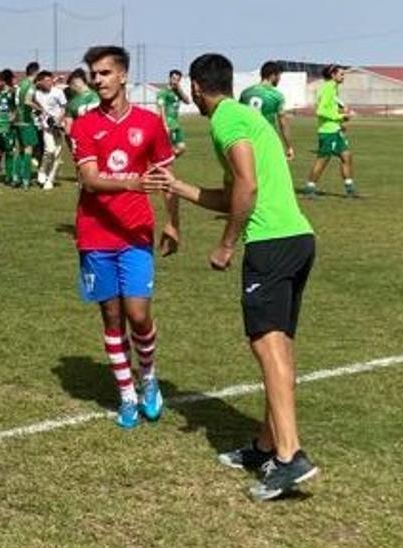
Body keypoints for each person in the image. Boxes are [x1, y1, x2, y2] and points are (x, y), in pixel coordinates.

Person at [144, 53, 319, 501]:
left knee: (266, 346)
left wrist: (226, 244)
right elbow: (235, 192)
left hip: (271, 245)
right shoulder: (241, 114)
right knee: (278, 346)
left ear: (198, 89)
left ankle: (289, 455)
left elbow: (247, 186)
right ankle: (265, 446)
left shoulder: (225, 120)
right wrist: (179, 187)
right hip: (297, 238)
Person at [68, 46, 180, 429]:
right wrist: (133, 182)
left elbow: (166, 179)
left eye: (104, 73)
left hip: (135, 234)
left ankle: (148, 377)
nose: (97, 80)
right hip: (95, 235)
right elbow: (90, 179)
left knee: (138, 314)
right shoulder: (83, 125)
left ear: (122, 76)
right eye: (93, 74)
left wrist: (173, 222)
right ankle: (126, 394)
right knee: (112, 318)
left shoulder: (149, 123)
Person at [303, 64, 357, 198]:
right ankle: (310, 188)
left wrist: (341, 119)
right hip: (328, 131)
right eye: (341, 74)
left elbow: (330, 108)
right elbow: (320, 111)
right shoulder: (327, 88)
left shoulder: (333, 88)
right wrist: (340, 116)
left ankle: (350, 189)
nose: (343, 76)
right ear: (333, 75)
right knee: (323, 160)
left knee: (347, 156)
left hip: (336, 129)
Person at [239, 61, 295, 161]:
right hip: (266, 139)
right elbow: (283, 124)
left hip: (246, 140)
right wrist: (289, 146)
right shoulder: (277, 96)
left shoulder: (246, 93)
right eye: (279, 76)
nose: (279, 79)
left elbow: (239, 116)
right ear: (273, 76)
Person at [34, 70, 68, 190]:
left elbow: (64, 108)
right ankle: (42, 170)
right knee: (50, 150)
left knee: (57, 155)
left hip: (59, 126)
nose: (49, 83)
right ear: (41, 82)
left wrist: (59, 120)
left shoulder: (58, 92)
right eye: (46, 80)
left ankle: (50, 179)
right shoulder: (37, 93)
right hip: (46, 127)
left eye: (50, 80)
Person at [13, 61, 43, 188]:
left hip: (17, 121)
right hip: (26, 121)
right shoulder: (30, 85)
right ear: (35, 72)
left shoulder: (21, 84)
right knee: (28, 150)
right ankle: (25, 179)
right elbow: (27, 101)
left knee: (19, 150)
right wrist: (40, 109)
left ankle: (16, 177)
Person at [156, 69, 192, 157]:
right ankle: (162, 163)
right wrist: (164, 125)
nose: (175, 81)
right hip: (168, 124)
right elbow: (161, 109)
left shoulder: (177, 92)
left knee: (181, 148)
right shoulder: (163, 92)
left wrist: (179, 89)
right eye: (173, 78)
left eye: (177, 79)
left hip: (175, 124)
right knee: (166, 148)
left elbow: (187, 101)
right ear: (169, 78)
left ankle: (164, 161)